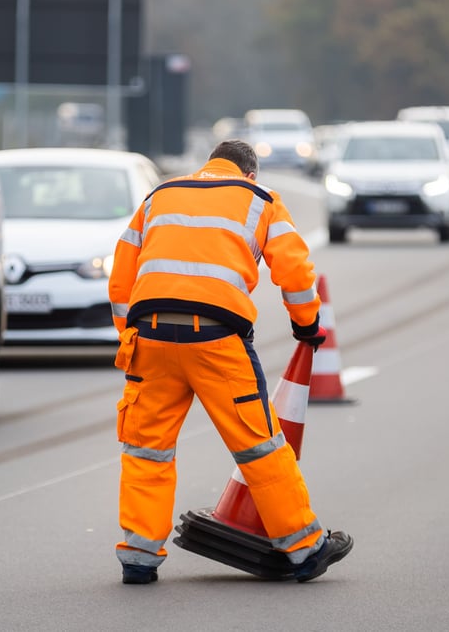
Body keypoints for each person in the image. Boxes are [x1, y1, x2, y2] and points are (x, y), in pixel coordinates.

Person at [107, 139, 353, 584]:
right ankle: (304, 547)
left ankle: (139, 559)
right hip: (218, 340)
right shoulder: (259, 201)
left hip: (151, 337)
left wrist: (130, 338)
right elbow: (295, 272)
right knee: (260, 445)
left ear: (208, 165)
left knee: (147, 451)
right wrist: (307, 325)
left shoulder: (159, 196)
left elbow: (121, 278)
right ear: (250, 174)